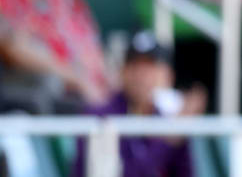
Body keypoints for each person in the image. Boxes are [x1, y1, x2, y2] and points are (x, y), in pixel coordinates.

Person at [72, 31, 206, 177]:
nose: (141, 75)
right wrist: (170, 138)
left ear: (168, 75)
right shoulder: (99, 116)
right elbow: (127, 173)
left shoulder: (167, 119)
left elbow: (185, 172)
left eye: (150, 67)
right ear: (122, 71)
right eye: (134, 66)